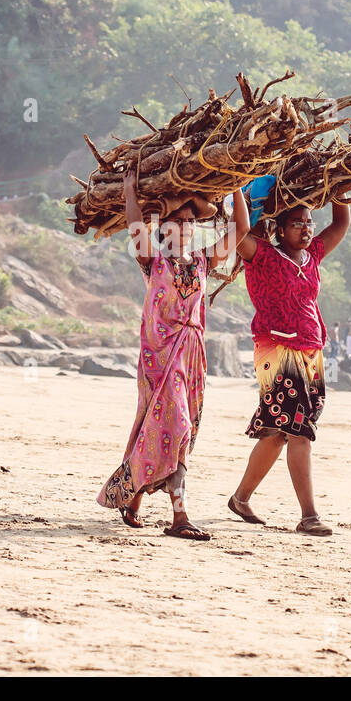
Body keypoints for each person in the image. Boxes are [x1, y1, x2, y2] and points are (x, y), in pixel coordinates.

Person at [97, 169, 250, 541]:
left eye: (188, 221)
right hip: (159, 359)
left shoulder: (202, 262)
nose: (183, 227)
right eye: (175, 221)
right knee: (175, 428)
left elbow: (242, 228)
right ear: (162, 228)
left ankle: (132, 496)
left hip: (192, 358)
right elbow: (135, 226)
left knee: (171, 431)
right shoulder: (154, 260)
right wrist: (132, 190)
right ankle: (179, 516)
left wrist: (234, 189)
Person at [227, 200, 351, 537]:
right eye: (297, 223)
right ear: (279, 229)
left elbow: (340, 224)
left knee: (277, 432)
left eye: (309, 222)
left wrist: (339, 189)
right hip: (277, 348)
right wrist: (240, 190)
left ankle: (240, 498)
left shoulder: (314, 257)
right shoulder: (263, 255)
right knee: (298, 430)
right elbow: (239, 234)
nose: (306, 228)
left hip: (311, 352)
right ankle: (309, 515)